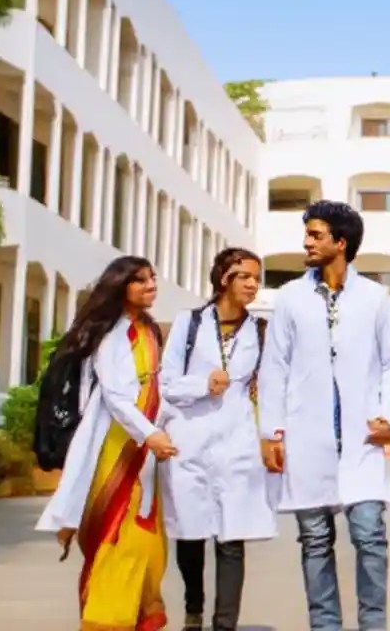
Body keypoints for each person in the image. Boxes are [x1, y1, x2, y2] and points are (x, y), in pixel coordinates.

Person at [258, 200, 390, 631]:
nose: (306, 242)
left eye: (316, 235)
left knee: (370, 537)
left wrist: (387, 416)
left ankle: (372, 625)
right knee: (315, 542)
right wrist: (272, 431)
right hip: (308, 439)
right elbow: (275, 366)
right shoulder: (290, 298)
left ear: (341, 243)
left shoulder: (375, 298)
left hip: (361, 439)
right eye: (307, 234)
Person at [36, 256, 179, 631]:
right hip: (116, 447)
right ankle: (105, 621)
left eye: (152, 278)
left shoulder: (148, 329)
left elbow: (158, 387)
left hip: (146, 447)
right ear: (121, 287)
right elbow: (116, 396)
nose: (151, 286)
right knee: (118, 537)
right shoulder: (113, 334)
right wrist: (149, 434)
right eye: (140, 281)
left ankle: (135, 618)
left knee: (145, 538)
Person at [162, 247, 277, 631]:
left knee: (233, 537)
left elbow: (270, 389)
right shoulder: (189, 323)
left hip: (235, 443)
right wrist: (202, 384)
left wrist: (269, 437)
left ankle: (224, 623)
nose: (252, 284)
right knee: (190, 532)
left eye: (256, 278)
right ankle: (194, 607)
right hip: (189, 441)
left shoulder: (261, 330)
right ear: (223, 278)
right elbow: (166, 383)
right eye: (244, 276)